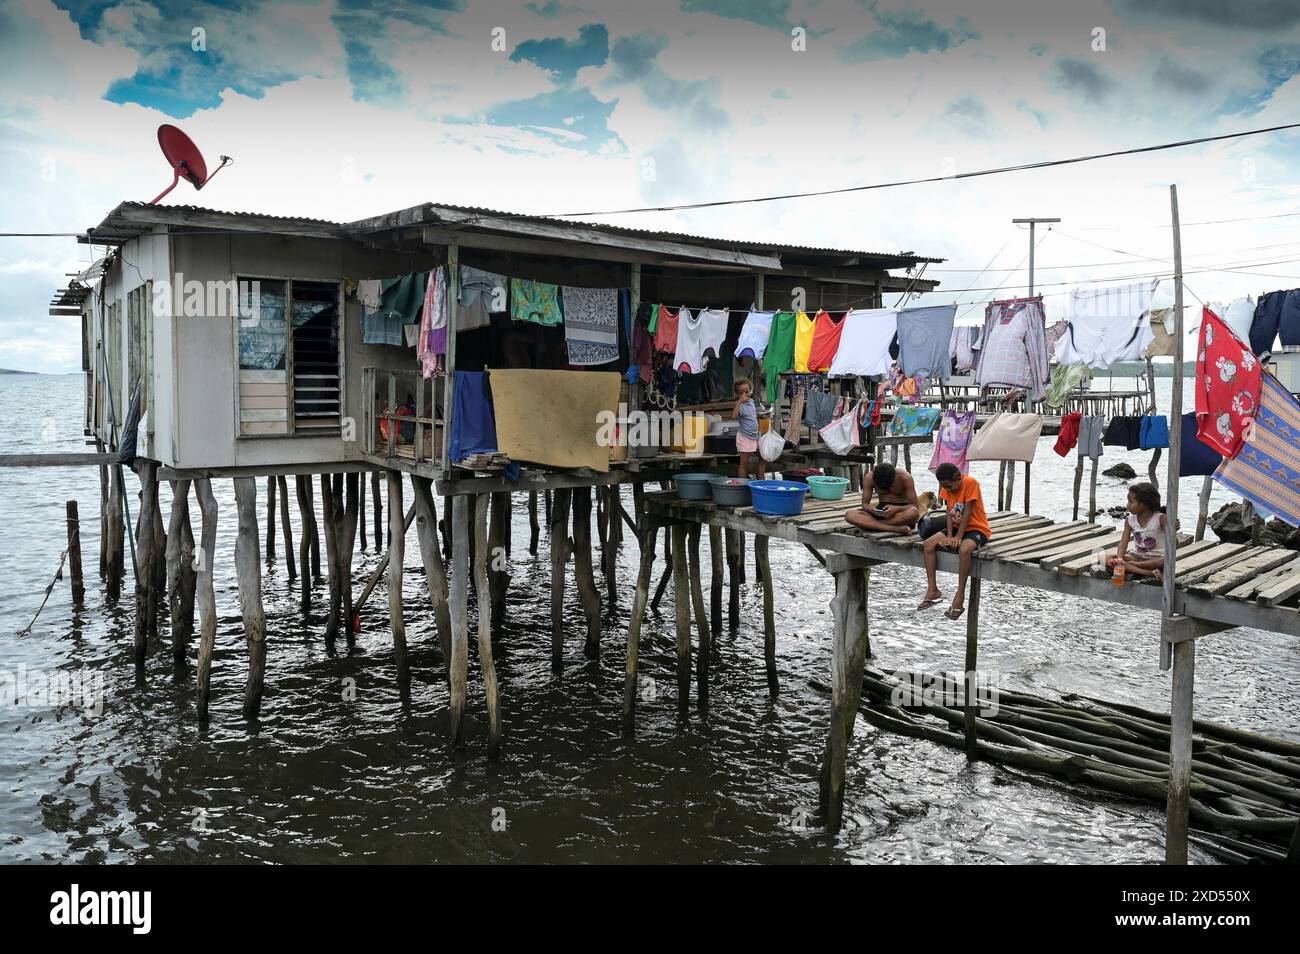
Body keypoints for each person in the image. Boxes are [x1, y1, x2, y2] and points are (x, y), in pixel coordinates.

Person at [918, 462, 992, 619]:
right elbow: (949, 512)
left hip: (977, 529)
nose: (949, 490)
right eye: (946, 488)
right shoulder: (946, 486)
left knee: (964, 550)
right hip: (957, 528)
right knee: (928, 544)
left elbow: (967, 512)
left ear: (958, 478)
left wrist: (958, 538)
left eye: (951, 487)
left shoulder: (971, 483)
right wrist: (950, 536)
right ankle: (933, 589)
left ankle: (960, 594)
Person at [1106, 481, 1169, 582]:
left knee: (1164, 561)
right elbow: (1123, 543)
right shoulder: (1130, 520)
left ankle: (1134, 566)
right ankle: (1149, 573)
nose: (1127, 505)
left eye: (1131, 502)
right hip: (1136, 557)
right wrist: (1119, 559)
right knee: (1107, 558)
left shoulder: (1160, 519)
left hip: (1155, 559)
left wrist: (1173, 530)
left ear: (1144, 504)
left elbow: (1174, 542)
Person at [844, 462, 919, 534]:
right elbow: (865, 504)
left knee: (913, 512)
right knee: (850, 514)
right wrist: (872, 510)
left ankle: (871, 525)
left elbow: (915, 506)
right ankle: (893, 528)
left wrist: (896, 508)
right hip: (881, 512)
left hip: (900, 512)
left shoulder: (905, 477)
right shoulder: (870, 477)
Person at [732, 378, 765, 479]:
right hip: (745, 437)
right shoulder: (739, 404)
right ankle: (742, 485)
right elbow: (733, 416)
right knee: (744, 464)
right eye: (741, 393)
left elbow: (753, 416)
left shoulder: (751, 402)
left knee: (764, 458)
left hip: (755, 436)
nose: (744, 394)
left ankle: (761, 480)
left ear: (751, 390)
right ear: (738, 394)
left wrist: (764, 415)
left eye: (746, 392)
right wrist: (739, 401)